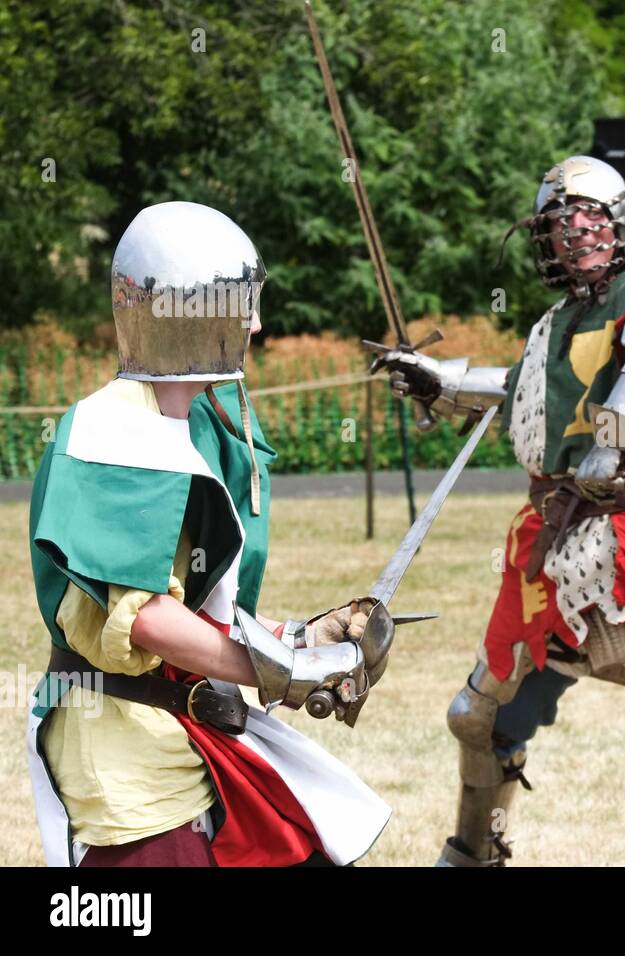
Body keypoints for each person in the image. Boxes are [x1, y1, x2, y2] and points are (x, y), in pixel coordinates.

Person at [372, 155, 625, 866]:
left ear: (618, 224)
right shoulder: (556, 323)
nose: (572, 236)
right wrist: (439, 380)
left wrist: (616, 436)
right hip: (558, 539)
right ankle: (473, 852)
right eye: (558, 226)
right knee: (477, 718)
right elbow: (521, 391)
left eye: (586, 221)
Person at [27, 201, 391, 866]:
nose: (255, 322)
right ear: (184, 310)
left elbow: (197, 609)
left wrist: (295, 637)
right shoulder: (112, 430)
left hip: (183, 731)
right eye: (238, 302)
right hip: (126, 749)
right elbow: (146, 619)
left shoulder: (193, 422)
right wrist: (288, 671)